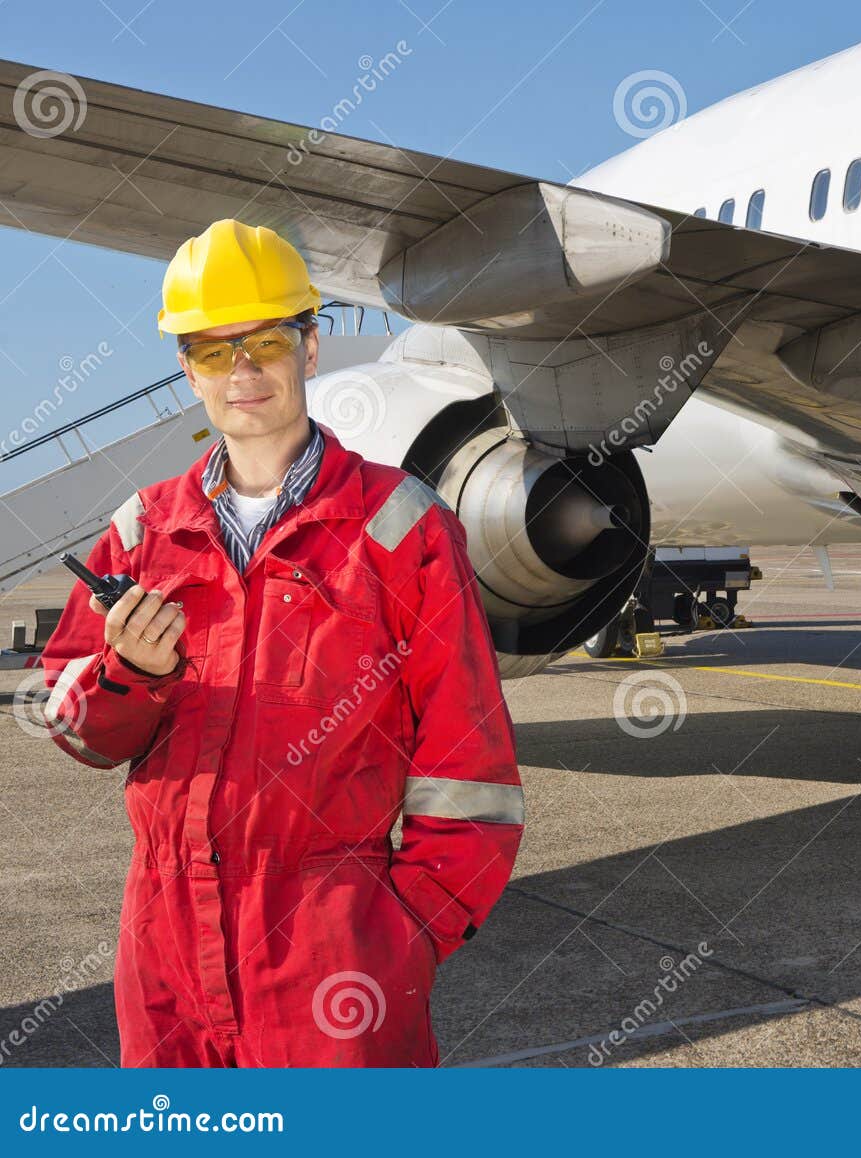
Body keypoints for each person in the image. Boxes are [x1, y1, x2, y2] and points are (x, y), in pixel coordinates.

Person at [39, 219, 524, 1067]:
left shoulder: (399, 528)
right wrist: (127, 675)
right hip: (162, 958)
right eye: (215, 351)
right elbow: (72, 725)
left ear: (310, 346)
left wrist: (403, 935)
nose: (244, 372)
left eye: (265, 341)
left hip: (332, 958)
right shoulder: (143, 532)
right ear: (187, 369)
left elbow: (469, 771)